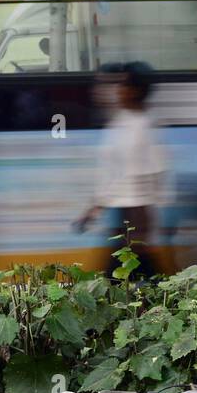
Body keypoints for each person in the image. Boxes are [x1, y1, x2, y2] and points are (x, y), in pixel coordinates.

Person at [77, 62, 168, 278]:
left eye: (124, 85)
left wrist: (97, 207)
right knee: (133, 271)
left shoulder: (141, 127)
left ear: (136, 91)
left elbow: (146, 178)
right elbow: (113, 173)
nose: (118, 89)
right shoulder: (122, 121)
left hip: (134, 213)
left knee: (120, 273)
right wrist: (95, 207)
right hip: (124, 212)